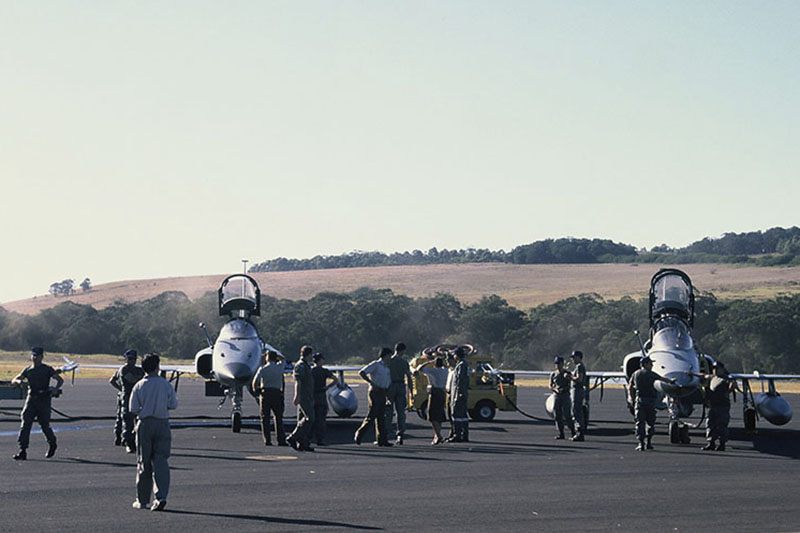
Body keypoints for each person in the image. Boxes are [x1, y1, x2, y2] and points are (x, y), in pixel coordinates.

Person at [129, 353, 178, 511]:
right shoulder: (165, 384)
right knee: (161, 461)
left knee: (143, 462)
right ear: (157, 367)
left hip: (145, 423)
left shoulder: (139, 385)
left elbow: (133, 408)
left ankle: (142, 500)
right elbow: (173, 404)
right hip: (162, 422)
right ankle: (161, 496)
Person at [11, 347, 63, 461]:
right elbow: (14, 380)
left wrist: (55, 389)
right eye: (33, 355)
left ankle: (52, 443)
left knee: (44, 425)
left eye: (37, 356)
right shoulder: (28, 370)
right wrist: (19, 382)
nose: (35, 358)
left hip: (43, 400)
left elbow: (60, 380)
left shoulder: (47, 369)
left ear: (41, 357)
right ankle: (22, 450)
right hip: (31, 399)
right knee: (25, 424)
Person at [629, 355, 676, 451]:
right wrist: (671, 381)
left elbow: (630, 387)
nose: (652, 365)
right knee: (650, 422)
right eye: (650, 364)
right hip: (650, 401)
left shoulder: (635, 374)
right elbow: (662, 379)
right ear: (645, 364)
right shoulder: (651, 374)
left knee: (640, 422)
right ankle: (649, 443)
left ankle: (641, 443)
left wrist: (632, 399)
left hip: (640, 401)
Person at [687, 361, 736, 451]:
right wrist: (691, 374)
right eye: (714, 369)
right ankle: (711, 443)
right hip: (712, 405)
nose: (715, 370)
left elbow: (731, 386)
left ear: (722, 369)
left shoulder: (726, 379)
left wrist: (730, 388)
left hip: (722, 406)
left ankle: (722, 444)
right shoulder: (712, 377)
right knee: (710, 424)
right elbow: (703, 375)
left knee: (722, 425)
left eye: (717, 369)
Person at [354, 347, 393, 447]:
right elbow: (362, 372)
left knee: (381, 417)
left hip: (383, 392)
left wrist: (388, 396)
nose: (390, 358)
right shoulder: (376, 365)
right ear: (385, 355)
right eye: (389, 355)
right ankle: (359, 434)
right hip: (375, 392)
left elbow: (387, 382)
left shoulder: (387, 368)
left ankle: (382, 440)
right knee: (372, 415)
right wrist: (371, 383)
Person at [110, 349, 145, 452]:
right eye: (130, 359)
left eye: (134, 359)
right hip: (126, 397)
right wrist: (121, 389)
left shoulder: (139, 370)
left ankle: (133, 440)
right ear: (126, 359)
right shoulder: (123, 369)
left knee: (136, 420)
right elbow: (131, 379)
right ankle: (126, 441)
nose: (132, 361)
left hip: (136, 397)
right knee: (126, 419)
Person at [251, 350, 289, 446]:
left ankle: (267, 440)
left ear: (267, 358)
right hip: (277, 393)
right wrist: (277, 356)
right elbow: (283, 359)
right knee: (278, 417)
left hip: (265, 393)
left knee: (265, 418)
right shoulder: (279, 367)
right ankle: (281, 439)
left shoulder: (263, 369)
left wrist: (257, 391)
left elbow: (255, 382)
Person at [287, 345, 315, 452]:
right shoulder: (301, 366)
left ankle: (303, 443)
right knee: (309, 418)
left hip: (308, 395)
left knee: (302, 419)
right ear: (308, 354)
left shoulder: (306, 365)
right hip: (304, 396)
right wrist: (297, 396)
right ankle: (293, 436)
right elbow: (298, 382)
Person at [385, 342, 414, 445]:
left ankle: (387, 433)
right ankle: (400, 434)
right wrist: (411, 392)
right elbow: (409, 377)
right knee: (401, 412)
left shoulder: (389, 361)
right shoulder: (404, 362)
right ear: (402, 351)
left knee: (388, 411)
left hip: (390, 386)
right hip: (400, 385)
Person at [311, 352, 339, 446]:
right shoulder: (324, 371)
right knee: (321, 419)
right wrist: (328, 387)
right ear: (320, 360)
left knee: (311, 418)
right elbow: (336, 379)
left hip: (311, 396)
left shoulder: (311, 371)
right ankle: (320, 439)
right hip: (321, 396)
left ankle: (309, 438)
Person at [419, 356, 448, 445]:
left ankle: (438, 435)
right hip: (443, 392)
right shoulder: (445, 371)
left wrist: (428, 362)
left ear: (435, 364)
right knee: (439, 413)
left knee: (432, 414)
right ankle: (437, 434)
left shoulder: (433, 371)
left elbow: (420, 369)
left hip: (435, 392)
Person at [447, 346, 470, 443]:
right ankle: (464, 434)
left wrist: (458, 394)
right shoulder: (465, 364)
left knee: (456, 414)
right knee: (463, 415)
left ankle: (457, 435)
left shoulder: (461, 365)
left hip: (458, 393)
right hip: (463, 392)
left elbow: (460, 380)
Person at [549, 356, 574, 440]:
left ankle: (573, 431)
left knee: (567, 414)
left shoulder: (567, 373)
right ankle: (561, 433)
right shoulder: (553, 374)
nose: (557, 365)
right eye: (556, 364)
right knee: (557, 415)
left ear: (562, 364)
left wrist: (564, 389)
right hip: (556, 396)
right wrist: (555, 389)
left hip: (565, 396)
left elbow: (570, 384)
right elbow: (550, 385)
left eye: (559, 364)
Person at [568, 350, 588, 441]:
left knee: (576, 410)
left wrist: (570, 377)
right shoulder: (578, 367)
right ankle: (578, 432)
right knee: (575, 410)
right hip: (577, 390)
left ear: (579, 357)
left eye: (574, 357)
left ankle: (579, 432)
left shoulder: (579, 367)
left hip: (577, 390)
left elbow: (579, 379)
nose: (572, 359)